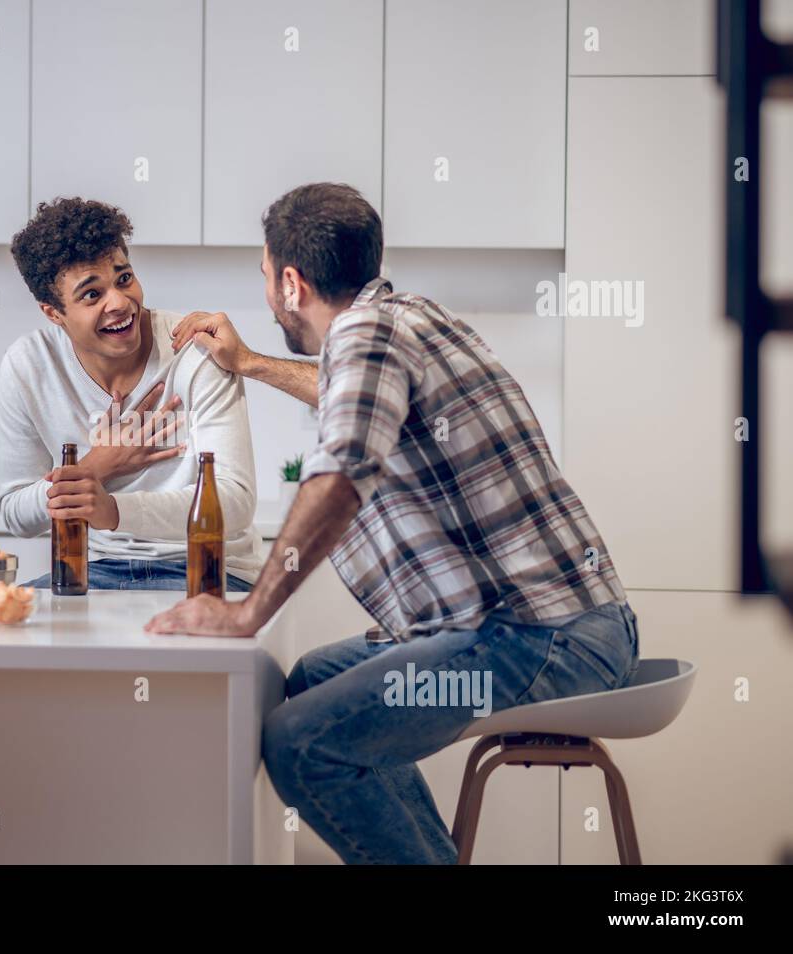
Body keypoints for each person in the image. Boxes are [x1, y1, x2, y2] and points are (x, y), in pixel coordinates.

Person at [145, 183, 639, 864]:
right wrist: (253, 364)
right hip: (570, 624)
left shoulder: (364, 334)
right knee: (315, 678)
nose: (265, 293)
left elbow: (340, 474)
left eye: (264, 277)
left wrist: (246, 613)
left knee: (301, 744)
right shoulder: (410, 318)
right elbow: (351, 394)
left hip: (539, 640)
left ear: (292, 283)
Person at [0, 197, 262, 590]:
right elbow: (17, 515)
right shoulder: (28, 366)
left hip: (205, 569)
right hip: (98, 571)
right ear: (53, 313)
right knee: (0, 633)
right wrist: (95, 467)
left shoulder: (195, 349)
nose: (120, 303)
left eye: (124, 279)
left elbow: (235, 502)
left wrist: (114, 511)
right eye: (92, 295)